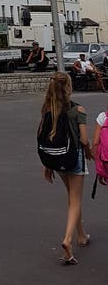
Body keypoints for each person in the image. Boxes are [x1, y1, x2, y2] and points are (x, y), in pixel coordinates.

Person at [39, 73, 92, 264]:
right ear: (68, 87)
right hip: (74, 157)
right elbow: (84, 139)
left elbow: (44, 136)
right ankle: (68, 240)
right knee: (75, 199)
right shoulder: (77, 109)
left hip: (57, 159)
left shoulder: (48, 109)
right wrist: (89, 151)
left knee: (71, 197)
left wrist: (47, 165)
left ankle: (81, 235)